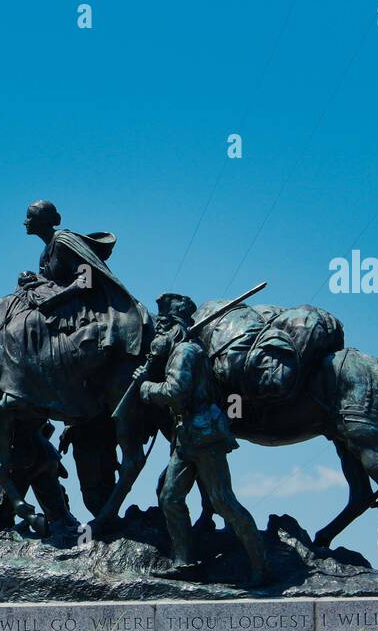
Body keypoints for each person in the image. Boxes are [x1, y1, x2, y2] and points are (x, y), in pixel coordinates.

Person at [138, 293, 268, 586]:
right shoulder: (177, 351)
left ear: (174, 326)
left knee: (223, 502)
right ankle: (185, 562)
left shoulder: (185, 352)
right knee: (170, 497)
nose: (157, 332)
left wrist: (146, 388)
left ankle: (261, 566)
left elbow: (175, 392)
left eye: (162, 325)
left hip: (204, 435)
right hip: (187, 438)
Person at [17, 200, 147, 358]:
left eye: (30, 217)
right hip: (66, 305)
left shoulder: (63, 241)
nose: (25, 222)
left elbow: (86, 278)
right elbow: (49, 283)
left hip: (86, 306)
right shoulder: (44, 255)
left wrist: (56, 299)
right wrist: (31, 278)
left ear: (43, 220)